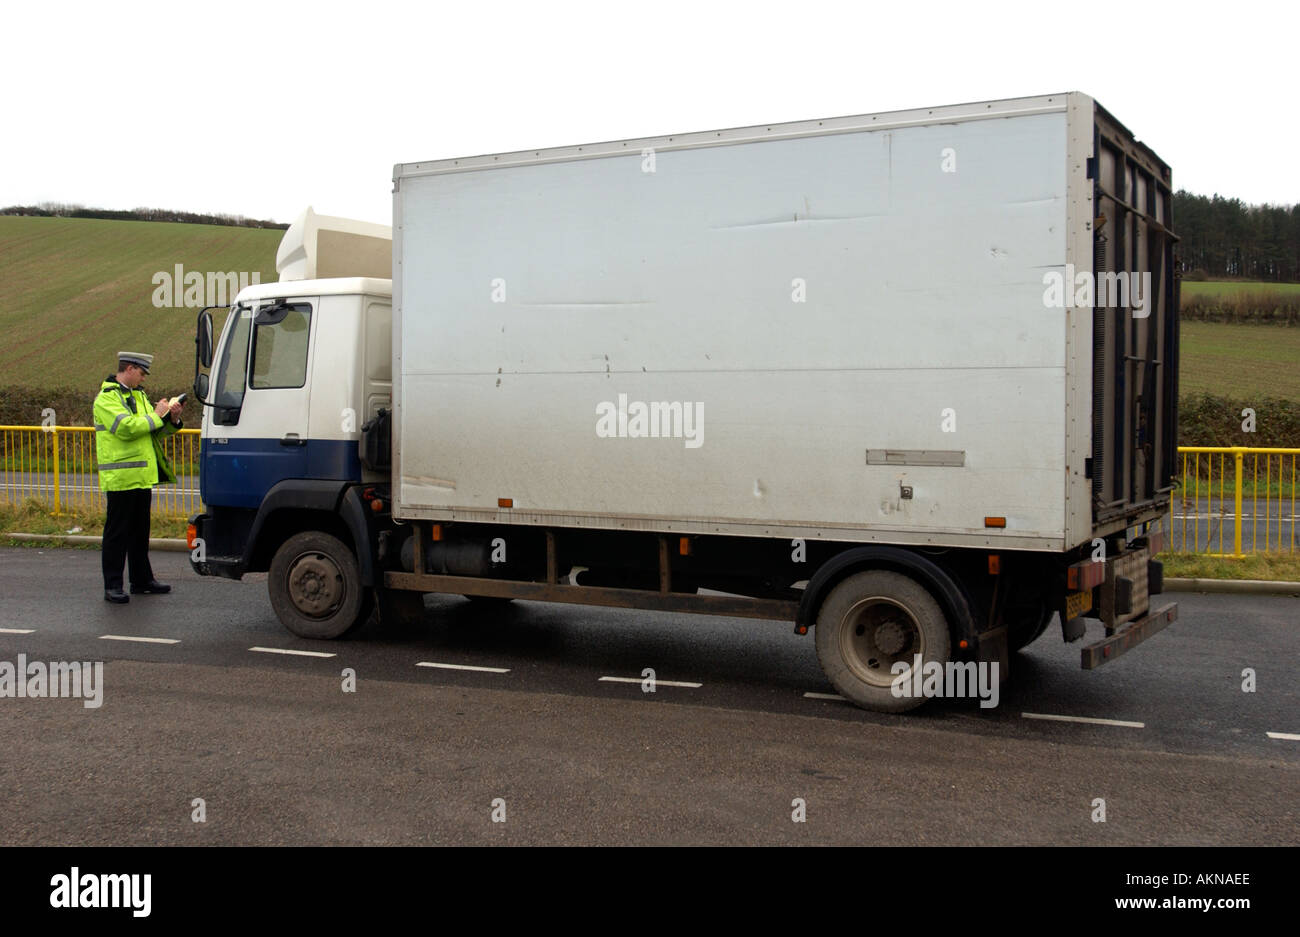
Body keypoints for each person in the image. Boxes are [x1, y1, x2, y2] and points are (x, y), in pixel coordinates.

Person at [94, 352, 183, 603]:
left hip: (142, 476)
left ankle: (141, 580)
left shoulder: (139, 395)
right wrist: (156, 415)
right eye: (142, 373)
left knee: (139, 533)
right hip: (121, 477)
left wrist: (171, 419)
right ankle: (112, 585)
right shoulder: (106, 398)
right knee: (117, 533)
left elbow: (151, 431)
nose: (143, 378)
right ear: (130, 369)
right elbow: (126, 428)